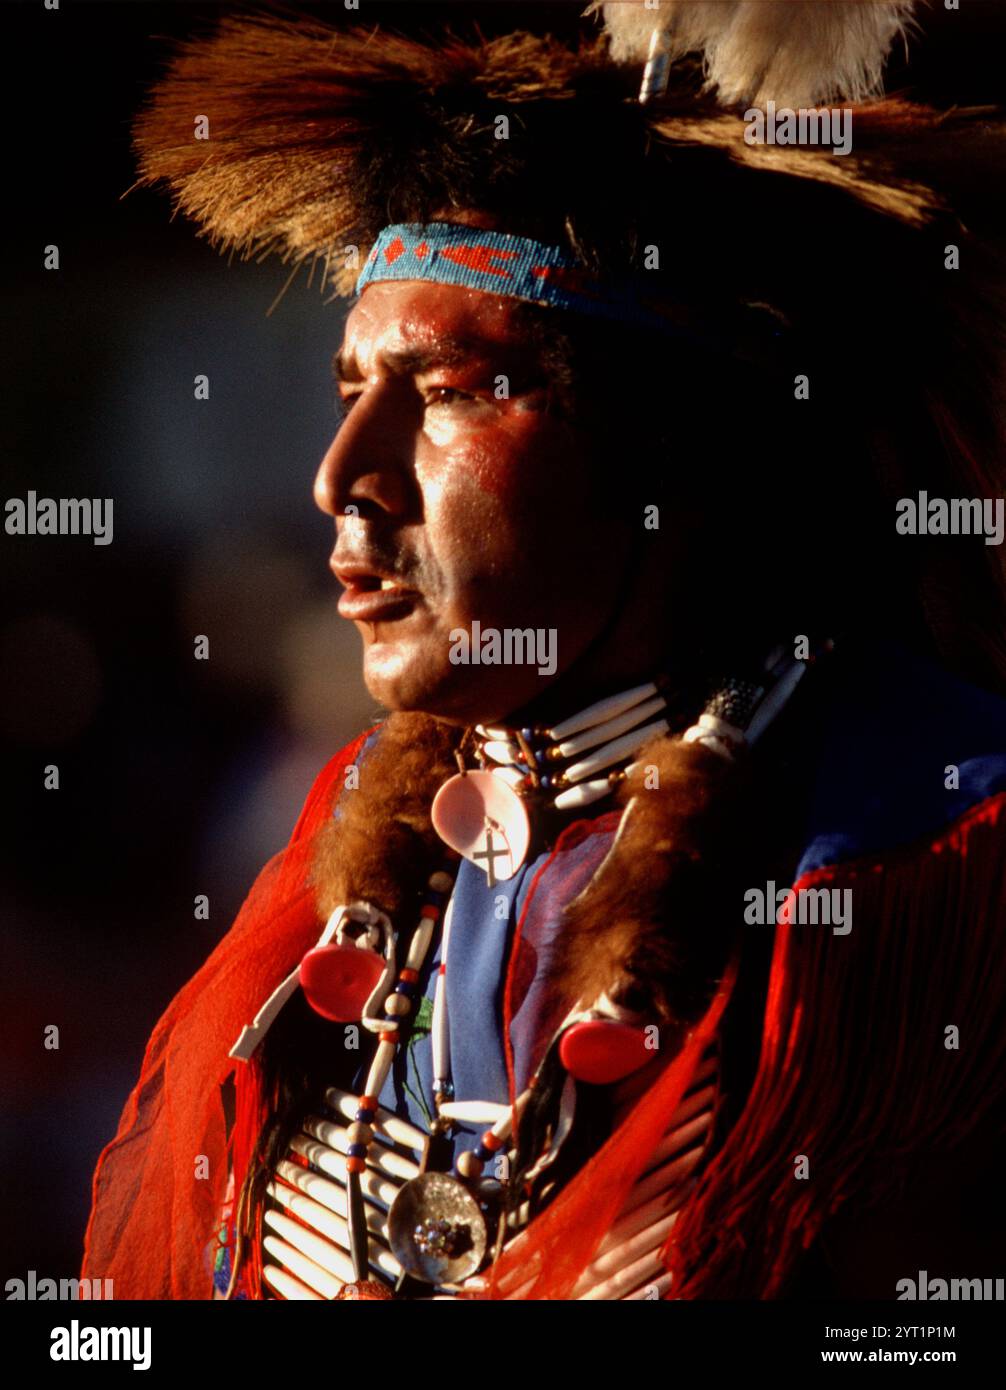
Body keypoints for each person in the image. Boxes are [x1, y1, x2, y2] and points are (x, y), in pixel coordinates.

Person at [83, 2, 1006, 1300]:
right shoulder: (348, 848)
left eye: (450, 391)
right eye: (353, 392)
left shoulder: (938, 859)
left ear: (676, 453)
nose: (342, 478)